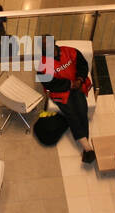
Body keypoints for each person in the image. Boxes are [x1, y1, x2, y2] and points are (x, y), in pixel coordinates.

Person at [37, 36, 96, 164]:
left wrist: (79, 80)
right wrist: (69, 84)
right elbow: (48, 83)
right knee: (72, 114)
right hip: (60, 91)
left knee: (82, 110)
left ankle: (86, 148)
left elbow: (83, 65)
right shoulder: (42, 65)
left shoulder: (70, 51)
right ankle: (87, 147)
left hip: (77, 85)